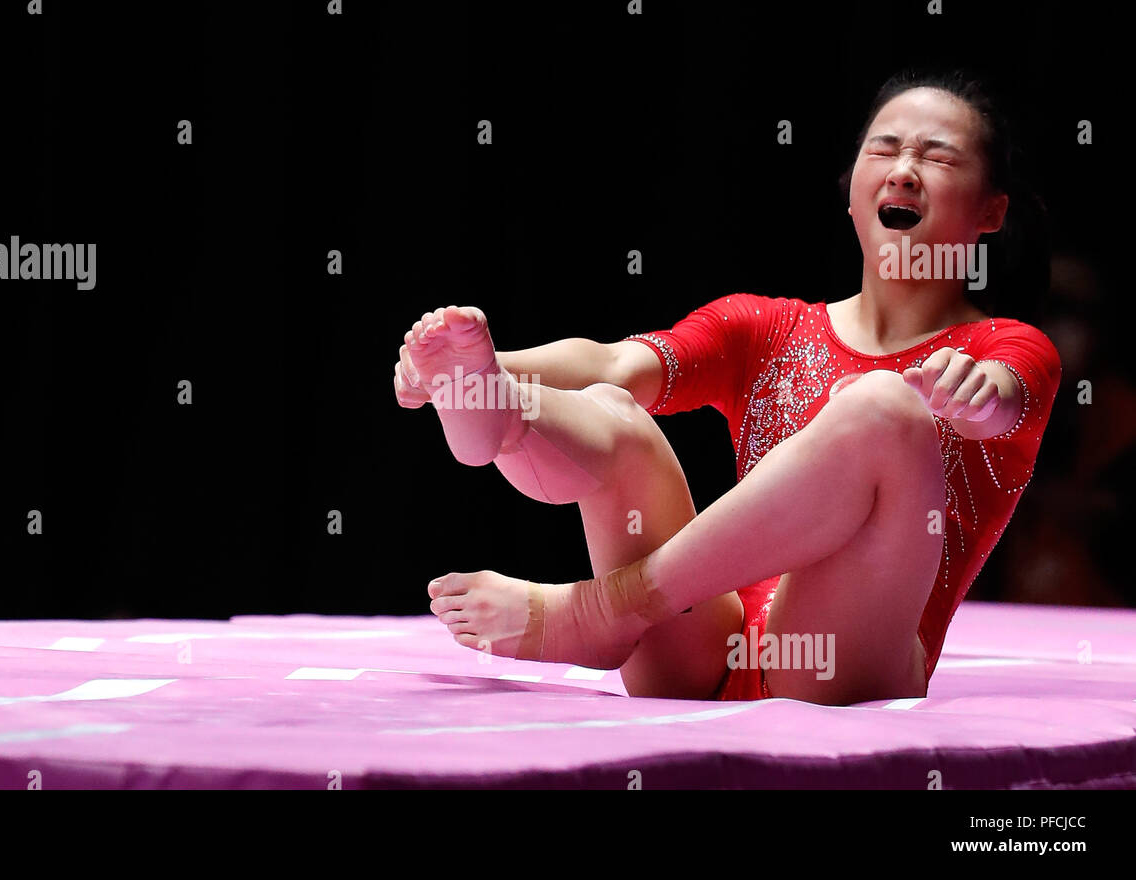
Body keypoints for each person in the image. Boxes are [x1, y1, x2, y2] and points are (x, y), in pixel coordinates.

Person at [392, 70, 1062, 705]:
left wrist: (978, 392)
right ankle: (493, 412)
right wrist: (478, 368)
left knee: (885, 405)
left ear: (991, 211)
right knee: (614, 414)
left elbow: (1003, 398)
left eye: (938, 157)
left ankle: (604, 610)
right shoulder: (765, 325)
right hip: (702, 651)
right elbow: (610, 363)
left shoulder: (1008, 349)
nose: (904, 169)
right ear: (851, 188)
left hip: (844, 665)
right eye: (884, 148)